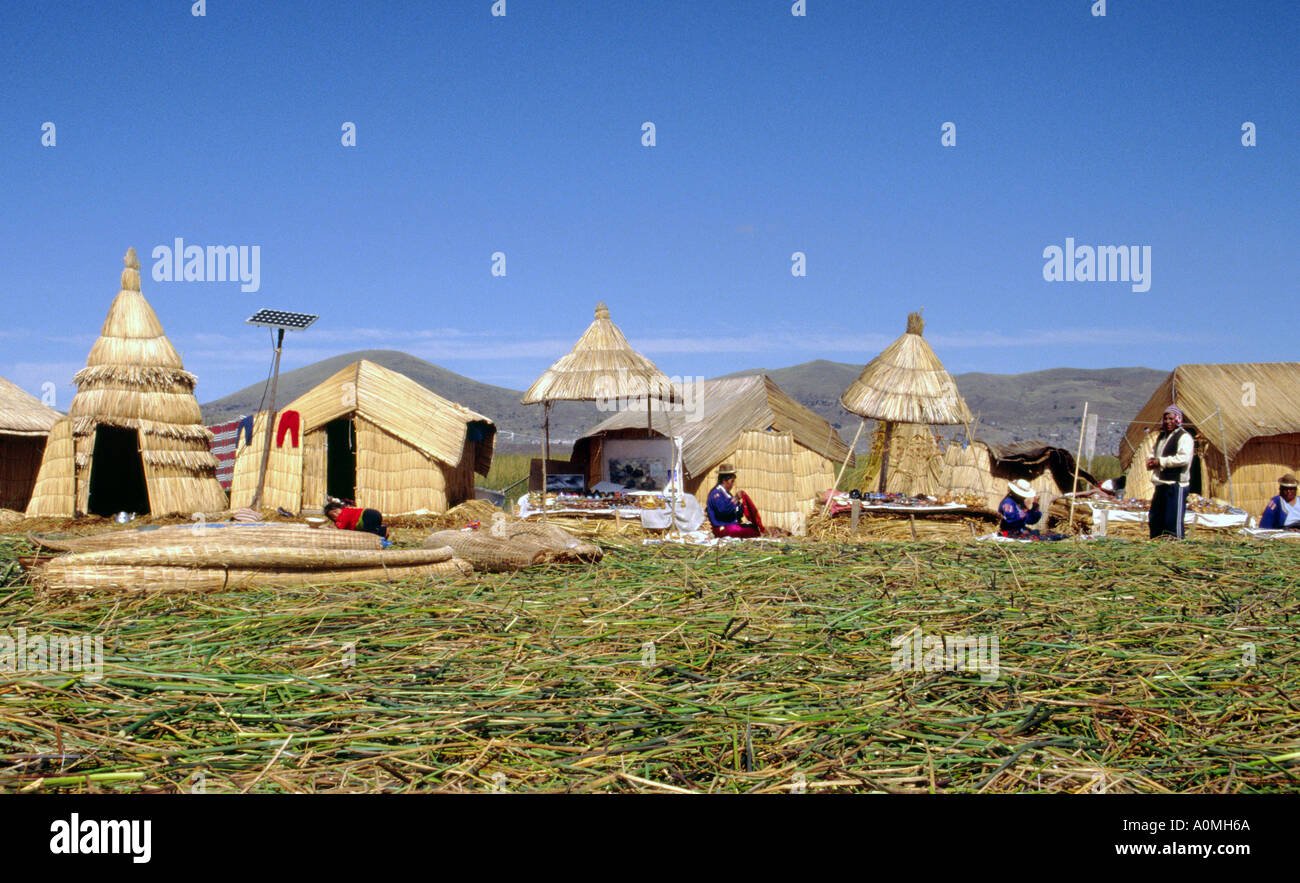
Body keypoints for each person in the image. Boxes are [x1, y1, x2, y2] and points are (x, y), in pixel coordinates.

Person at [1145, 405, 1194, 539]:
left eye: (1171, 418)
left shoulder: (1184, 437)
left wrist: (1160, 461)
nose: (1168, 422)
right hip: (1161, 483)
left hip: (1175, 484)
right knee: (1156, 518)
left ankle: (1176, 546)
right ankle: (1156, 542)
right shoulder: (1162, 437)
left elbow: (1183, 458)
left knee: (1172, 520)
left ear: (1178, 420)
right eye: (1165, 419)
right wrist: (1151, 460)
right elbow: (1153, 452)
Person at [705, 463, 765, 538]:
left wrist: (744, 506)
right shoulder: (716, 494)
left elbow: (738, 512)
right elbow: (723, 511)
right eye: (732, 481)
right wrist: (736, 498)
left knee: (752, 527)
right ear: (724, 480)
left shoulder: (727, 494)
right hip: (721, 528)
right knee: (752, 532)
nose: (733, 484)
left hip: (730, 525)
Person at [324, 501, 390, 542]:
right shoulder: (342, 517)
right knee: (371, 531)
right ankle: (382, 533)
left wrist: (335, 527)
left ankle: (384, 530)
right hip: (372, 515)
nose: (336, 515)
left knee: (369, 530)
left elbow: (341, 526)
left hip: (367, 515)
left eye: (335, 511)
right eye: (333, 516)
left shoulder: (345, 513)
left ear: (341, 508)